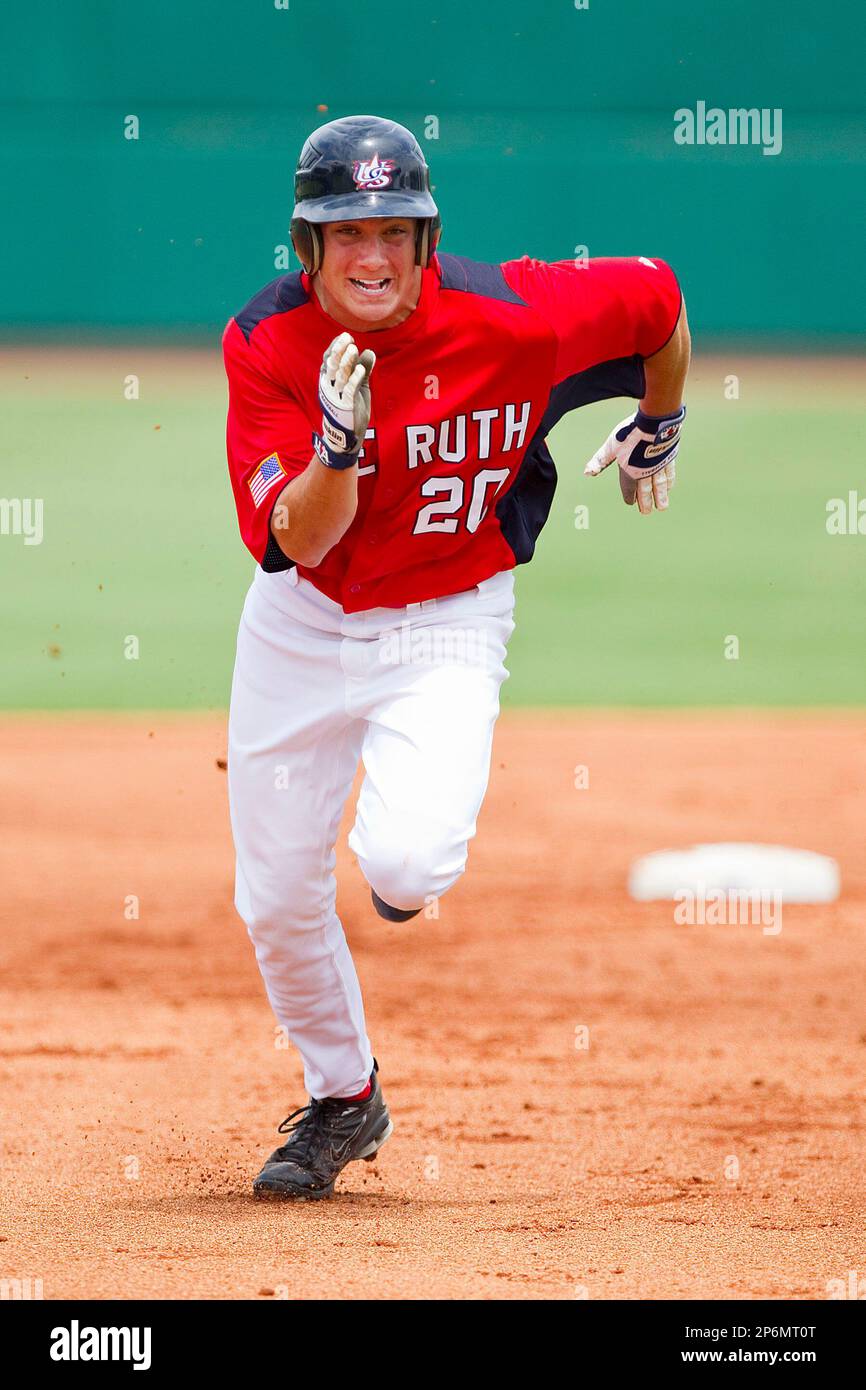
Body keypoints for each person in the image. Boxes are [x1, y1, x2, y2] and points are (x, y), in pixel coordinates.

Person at [222, 113, 691, 1200]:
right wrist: (339, 448)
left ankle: (398, 879)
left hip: (443, 618)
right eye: (346, 234)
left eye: (395, 229)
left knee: (405, 865)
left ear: (427, 241)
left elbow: (658, 300)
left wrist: (661, 420)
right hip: (300, 624)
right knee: (277, 897)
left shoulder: (514, 315)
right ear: (306, 248)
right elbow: (297, 541)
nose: (372, 255)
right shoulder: (263, 342)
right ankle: (344, 1099)